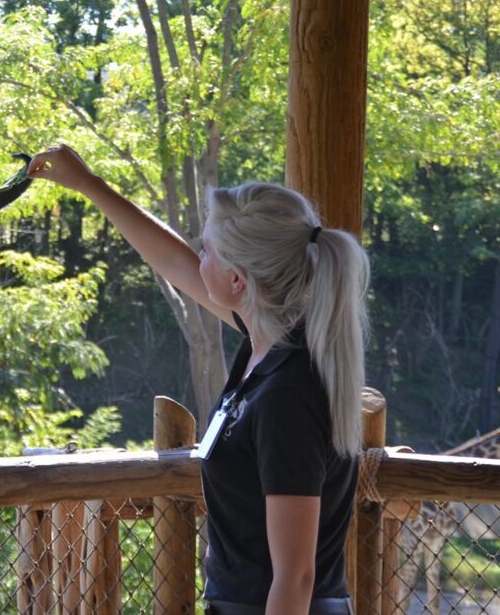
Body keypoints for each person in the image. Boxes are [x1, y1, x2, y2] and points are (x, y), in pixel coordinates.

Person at [28, 144, 368, 615]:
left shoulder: (287, 395)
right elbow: (174, 265)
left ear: (237, 281)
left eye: (207, 249)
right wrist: (89, 185)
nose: (197, 256)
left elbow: (296, 576)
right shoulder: (266, 351)